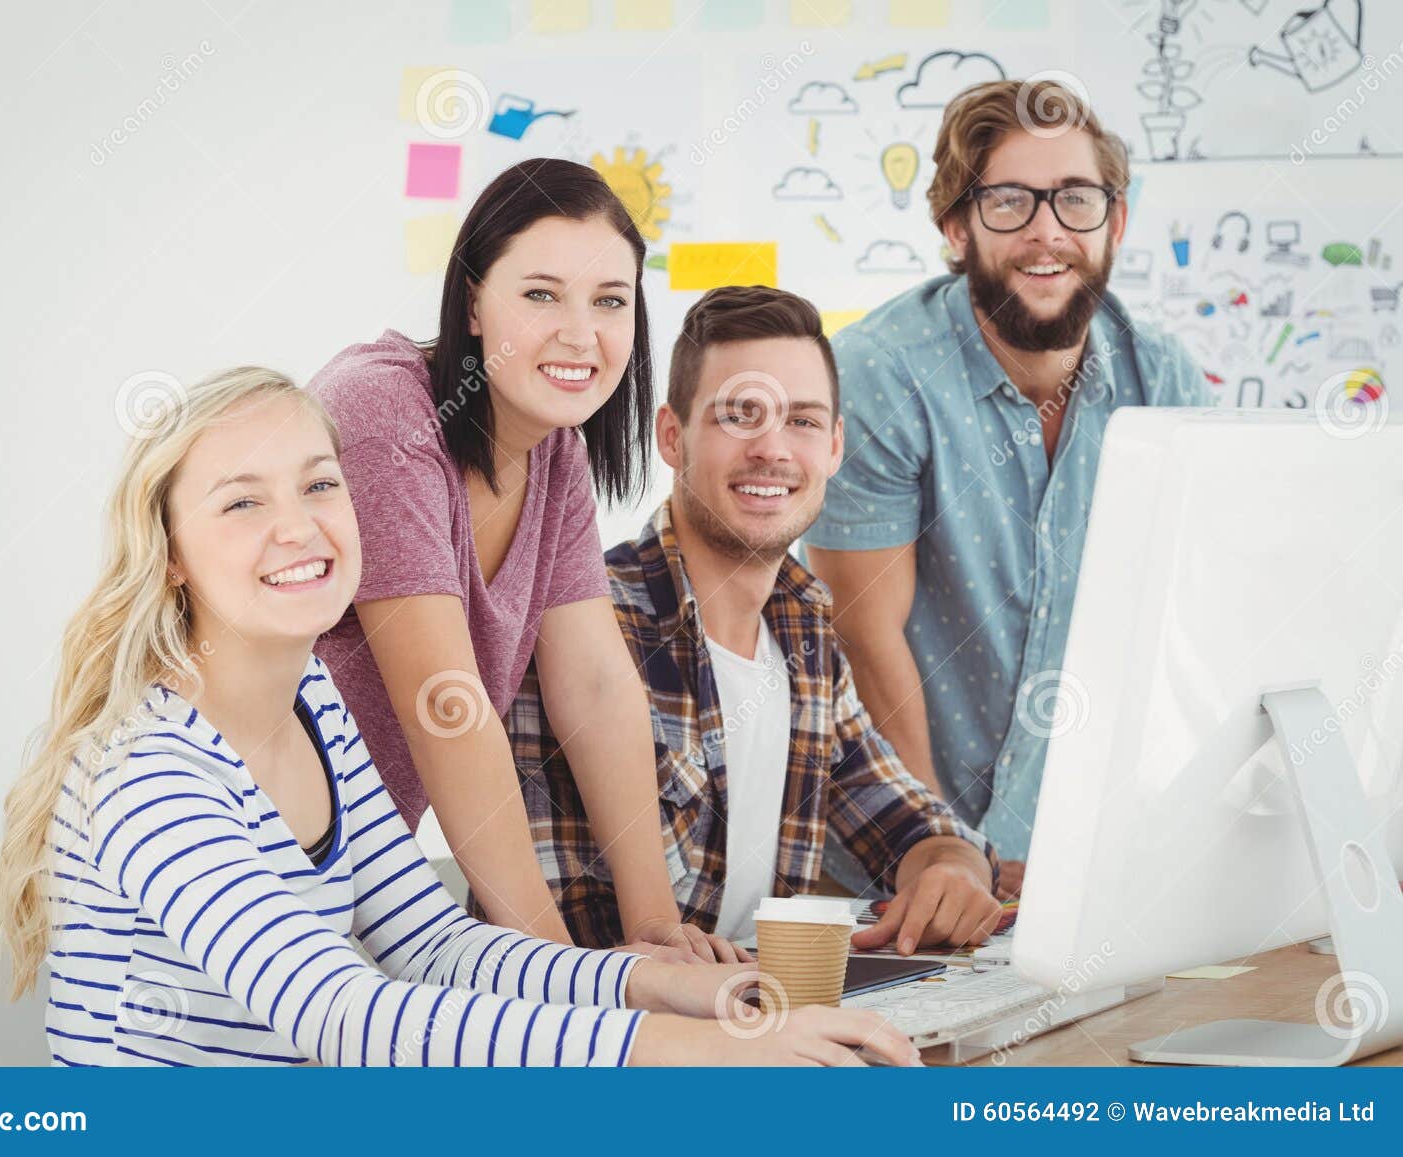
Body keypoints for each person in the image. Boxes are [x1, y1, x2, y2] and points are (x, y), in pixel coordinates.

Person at [0, 368, 919, 1067]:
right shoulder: (150, 773)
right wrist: (691, 1046)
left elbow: (431, 946)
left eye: (318, 484)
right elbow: (341, 1013)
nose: (299, 526)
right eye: (240, 503)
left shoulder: (316, 710)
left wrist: (671, 981)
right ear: (172, 553)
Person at [309, 158, 741, 960]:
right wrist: (559, 965)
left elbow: (597, 685)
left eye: (610, 301)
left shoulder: (557, 454)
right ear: (473, 301)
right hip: (240, 854)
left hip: (352, 878)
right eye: (541, 294)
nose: (581, 333)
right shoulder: (384, 412)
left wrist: (653, 926)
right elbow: (446, 705)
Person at [803, 80, 1211, 895]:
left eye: (1075, 200)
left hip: (1077, 856)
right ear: (956, 227)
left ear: (1115, 222)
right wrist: (939, 853)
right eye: (1010, 203)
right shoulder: (880, 375)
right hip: (889, 857)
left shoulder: (1163, 378)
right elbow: (869, 644)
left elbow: (1185, 627)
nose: (1047, 232)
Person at [507, 285, 1002, 953]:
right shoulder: (586, 625)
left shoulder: (804, 639)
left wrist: (951, 868)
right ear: (672, 437)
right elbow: (562, 948)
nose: (772, 449)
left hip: (757, 1026)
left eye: (801, 421)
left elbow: (908, 822)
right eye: (739, 415)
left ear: (833, 447)